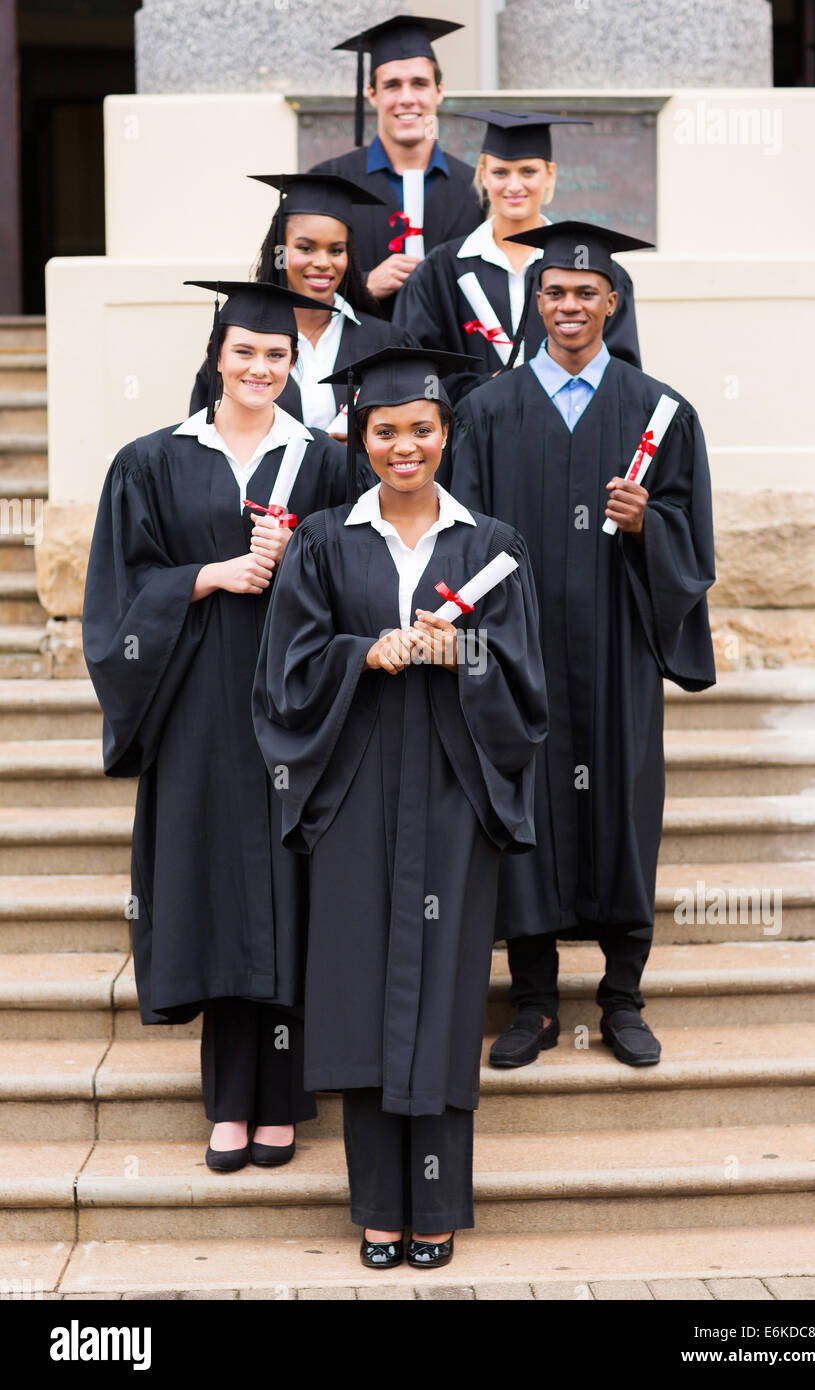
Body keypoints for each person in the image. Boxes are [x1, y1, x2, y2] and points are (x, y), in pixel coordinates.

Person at [252, 347, 547, 1268]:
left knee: (447, 997)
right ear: (361, 437)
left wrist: (464, 657)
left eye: (422, 429)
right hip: (356, 789)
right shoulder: (324, 541)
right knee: (358, 996)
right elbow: (284, 675)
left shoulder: (492, 547)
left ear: (446, 434)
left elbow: (528, 683)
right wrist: (360, 656)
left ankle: (437, 1208)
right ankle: (379, 1210)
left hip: (455, 796)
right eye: (386, 431)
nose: (404, 445)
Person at [83, 280, 368, 1174]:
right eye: (244, 352)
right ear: (216, 357)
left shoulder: (322, 462)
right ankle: (226, 1102)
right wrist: (209, 575)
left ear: (295, 364)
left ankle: (282, 1098)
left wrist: (296, 566)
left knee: (290, 889)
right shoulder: (152, 460)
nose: (260, 369)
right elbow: (118, 597)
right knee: (214, 893)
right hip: (198, 705)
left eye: (277, 356)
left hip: (296, 708)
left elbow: (360, 579)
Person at [449, 222, 716, 1071]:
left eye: (586, 293)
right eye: (555, 292)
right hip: (519, 654)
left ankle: (622, 999)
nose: (570, 304)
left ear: (613, 302)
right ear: (538, 303)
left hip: (617, 651)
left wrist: (650, 528)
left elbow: (695, 542)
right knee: (526, 813)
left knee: (623, 812)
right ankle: (532, 1002)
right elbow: (463, 539)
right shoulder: (485, 412)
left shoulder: (660, 411)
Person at [392, 110, 642, 413]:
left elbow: (622, 372)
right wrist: (487, 387)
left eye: (528, 172)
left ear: (550, 174)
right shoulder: (441, 270)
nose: (513, 186)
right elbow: (415, 373)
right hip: (471, 440)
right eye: (500, 173)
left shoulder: (595, 272)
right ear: (483, 175)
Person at [189, 173, 414, 433]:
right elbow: (204, 440)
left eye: (336, 250)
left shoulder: (385, 342)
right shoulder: (243, 344)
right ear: (279, 253)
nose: (322, 262)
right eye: (306, 248)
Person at [307, 16, 483, 316]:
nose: (406, 98)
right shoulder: (327, 184)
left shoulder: (476, 190)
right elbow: (289, 278)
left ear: (439, 91)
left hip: (452, 360)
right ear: (372, 94)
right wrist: (362, 286)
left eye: (419, 84)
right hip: (355, 358)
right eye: (392, 85)